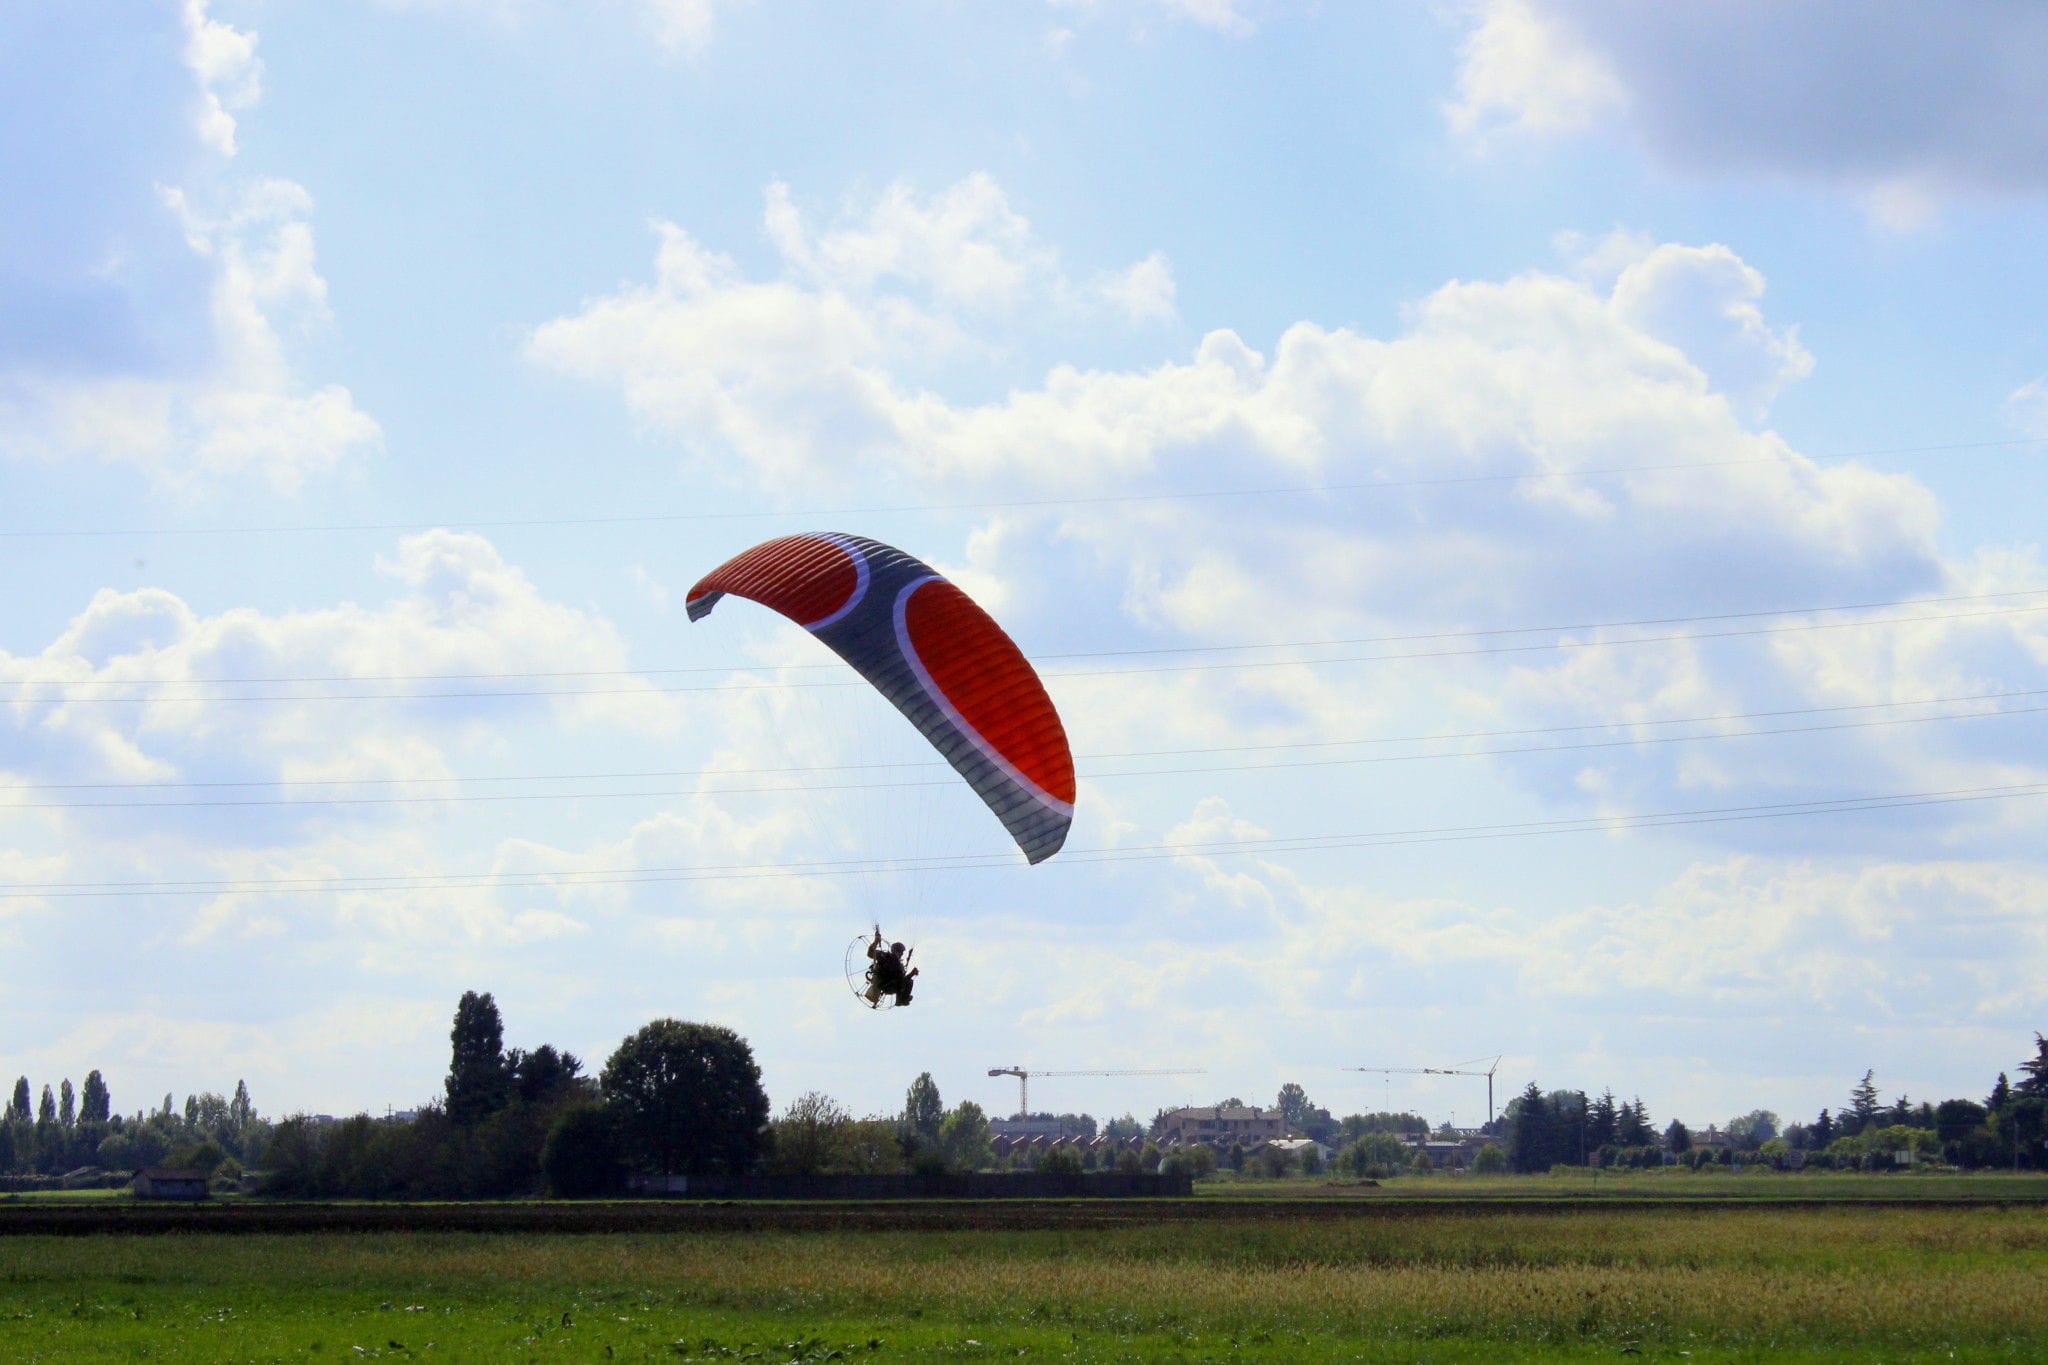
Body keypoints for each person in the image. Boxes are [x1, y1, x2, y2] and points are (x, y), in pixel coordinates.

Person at [865, 925, 917, 1007]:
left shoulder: (885, 956)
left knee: (908, 981)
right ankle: (901, 1000)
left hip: (887, 985)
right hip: (889, 985)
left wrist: (876, 941)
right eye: (900, 952)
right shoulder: (887, 958)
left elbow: (870, 953)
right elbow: (902, 981)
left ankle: (901, 999)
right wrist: (912, 974)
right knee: (909, 981)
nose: (901, 954)